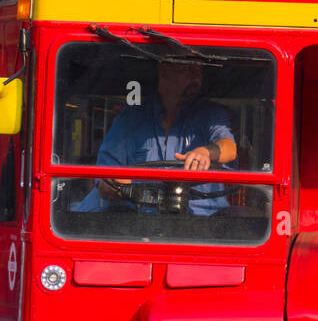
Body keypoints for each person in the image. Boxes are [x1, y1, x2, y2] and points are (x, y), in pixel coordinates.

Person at [76, 58, 236, 216]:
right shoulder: (130, 118)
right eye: (188, 68)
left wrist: (206, 152)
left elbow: (229, 147)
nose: (196, 76)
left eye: (199, 70)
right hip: (138, 226)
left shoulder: (211, 115)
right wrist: (111, 187)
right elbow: (105, 176)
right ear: (164, 70)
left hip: (202, 228)